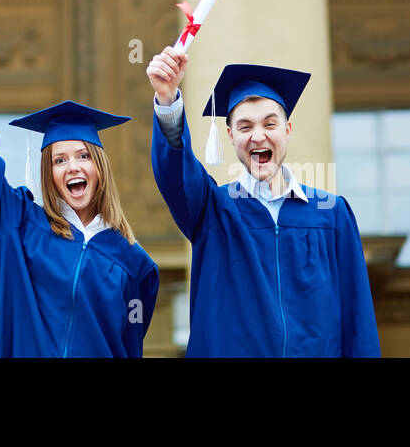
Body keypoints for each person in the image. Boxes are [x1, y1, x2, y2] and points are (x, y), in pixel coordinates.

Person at [0, 20, 159, 357]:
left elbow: (128, 346)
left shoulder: (134, 263)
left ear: (99, 167)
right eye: (59, 160)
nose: (72, 167)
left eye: (83, 156)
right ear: (49, 173)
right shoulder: (16, 224)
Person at [146, 47, 380, 357]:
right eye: (245, 127)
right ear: (230, 135)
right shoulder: (213, 211)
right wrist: (167, 100)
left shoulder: (331, 214)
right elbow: (176, 173)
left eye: (270, 124)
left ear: (288, 130)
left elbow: (357, 317)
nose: (258, 136)